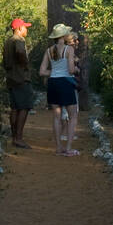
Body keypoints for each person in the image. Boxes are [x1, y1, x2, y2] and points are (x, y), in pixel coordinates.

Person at [39, 23, 80, 156]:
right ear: (63, 36)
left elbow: (42, 71)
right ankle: (68, 148)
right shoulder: (69, 49)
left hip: (53, 83)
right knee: (72, 115)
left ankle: (58, 147)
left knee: (56, 117)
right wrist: (76, 69)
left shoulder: (49, 51)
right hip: (66, 83)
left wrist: (55, 71)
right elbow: (71, 70)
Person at [2, 18, 34, 149]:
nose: (26, 30)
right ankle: (19, 138)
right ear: (19, 29)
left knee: (15, 108)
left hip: (11, 78)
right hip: (21, 78)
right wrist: (25, 64)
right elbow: (20, 52)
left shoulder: (8, 41)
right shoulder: (18, 40)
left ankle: (14, 137)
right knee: (24, 107)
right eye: (25, 27)